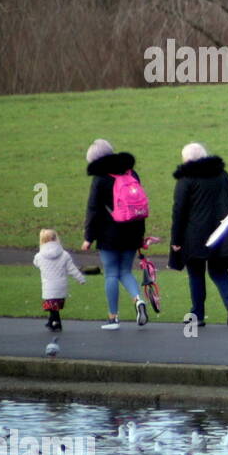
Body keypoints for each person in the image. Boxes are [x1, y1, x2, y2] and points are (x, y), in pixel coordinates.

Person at [171, 142, 228, 327]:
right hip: (223, 232)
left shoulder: (186, 179)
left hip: (194, 236)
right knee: (218, 269)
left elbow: (179, 210)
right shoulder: (222, 174)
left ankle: (197, 314)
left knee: (196, 273)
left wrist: (176, 240)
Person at [82, 138, 149, 330]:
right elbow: (139, 205)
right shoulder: (131, 172)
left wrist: (88, 237)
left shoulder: (100, 179)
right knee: (125, 271)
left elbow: (93, 210)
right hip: (133, 232)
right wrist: (140, 235)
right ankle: (139, 301)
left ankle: (113, 318)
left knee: (111, 273)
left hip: (108, 235)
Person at [33, 229, 86, 331]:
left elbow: (36, 263)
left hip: (48, 286)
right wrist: (80, 278)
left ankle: (56, 323)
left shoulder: (39, 256)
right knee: (55, 306)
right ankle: (52, 322)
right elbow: (72, 269)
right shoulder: (64, 254)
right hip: (61, 285)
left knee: (52, 306)